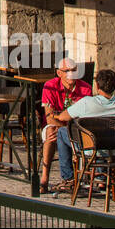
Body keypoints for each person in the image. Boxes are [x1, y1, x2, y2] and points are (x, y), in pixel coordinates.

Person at [38, 58, 93, 191]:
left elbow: (85, 118)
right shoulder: (50, 86)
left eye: (74, 70)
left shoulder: (85, 88)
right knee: (51, 132)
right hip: (55, 125)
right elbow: (49, 117)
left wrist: (66, 131)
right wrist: (62, 129)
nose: (71, 74)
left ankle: (72, 178)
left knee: (65, 134)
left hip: (76, 127)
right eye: (67, 71)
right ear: (59, 73)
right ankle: (44, 177)